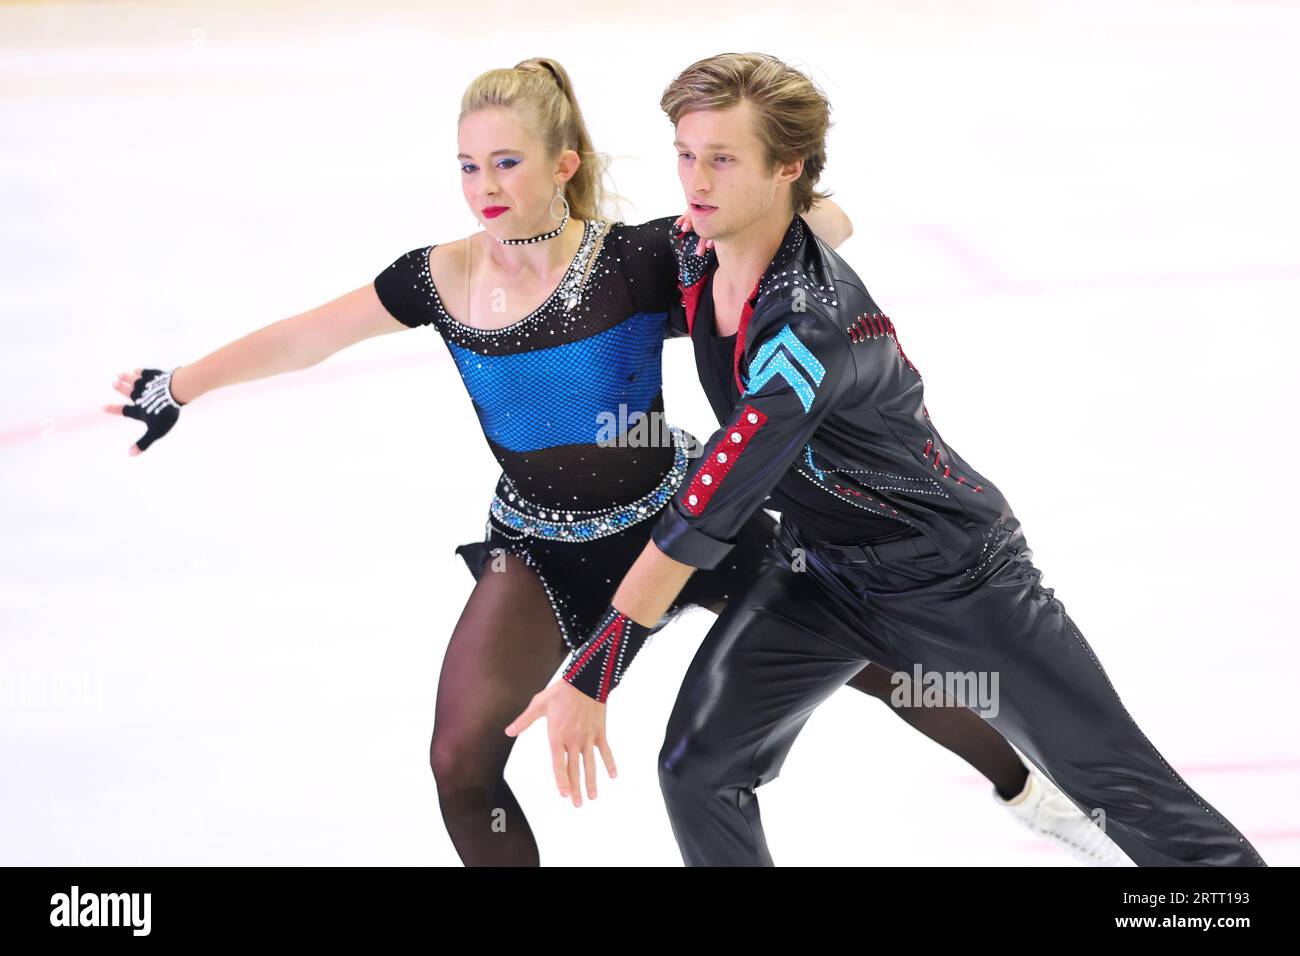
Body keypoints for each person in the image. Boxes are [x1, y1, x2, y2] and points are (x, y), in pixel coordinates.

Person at [107, 56, 1122, 867]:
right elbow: (303, 337)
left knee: (886, 665)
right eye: (467, 166)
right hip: (541, 544)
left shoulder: (639, 258)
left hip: (682, 514)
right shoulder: (435, 278)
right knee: (461, 761)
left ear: (561, 164)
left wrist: (766, 254)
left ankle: (1032, 791)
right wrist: (180, 385)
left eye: (506, 163)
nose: (483, 188)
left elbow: (827, 221)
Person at [509, 52, 1265, 868]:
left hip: (958, 581)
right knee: (699, 769)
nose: (696, 180)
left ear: (786, 167)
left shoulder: (806, 333)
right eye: (686, 154)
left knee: (1123, 792)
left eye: (723, 159)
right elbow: (814, 221)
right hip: (824, 573)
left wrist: (596, 667)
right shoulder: (701, 252)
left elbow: (707, 513)